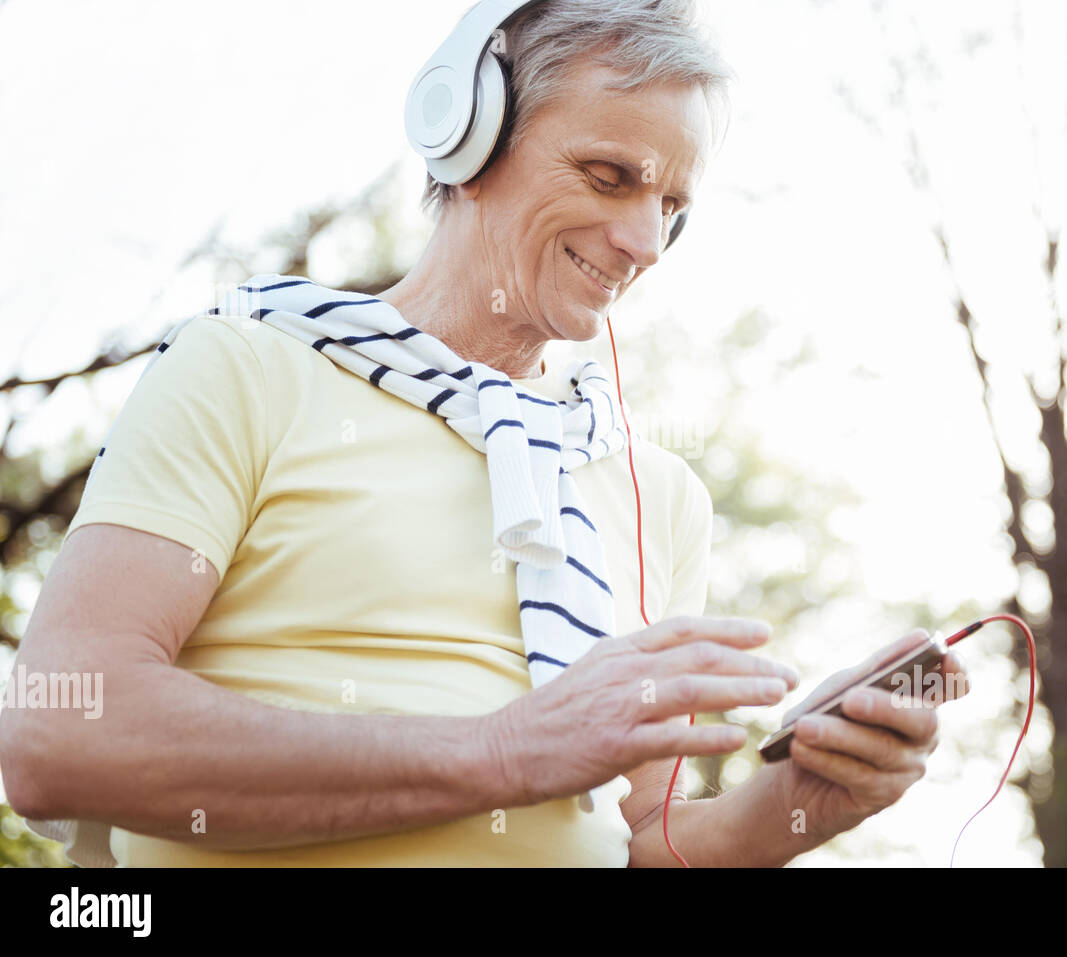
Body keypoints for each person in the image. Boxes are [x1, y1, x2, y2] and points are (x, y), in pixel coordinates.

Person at [0, 0, 966, 867]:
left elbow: (644, 842)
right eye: (607, 175)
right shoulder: (249, 367)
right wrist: (507, 752)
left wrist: (796, 805)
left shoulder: (655, 494)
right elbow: (58, 735)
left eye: (671, 206)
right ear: (468, 136)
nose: (642, 241)